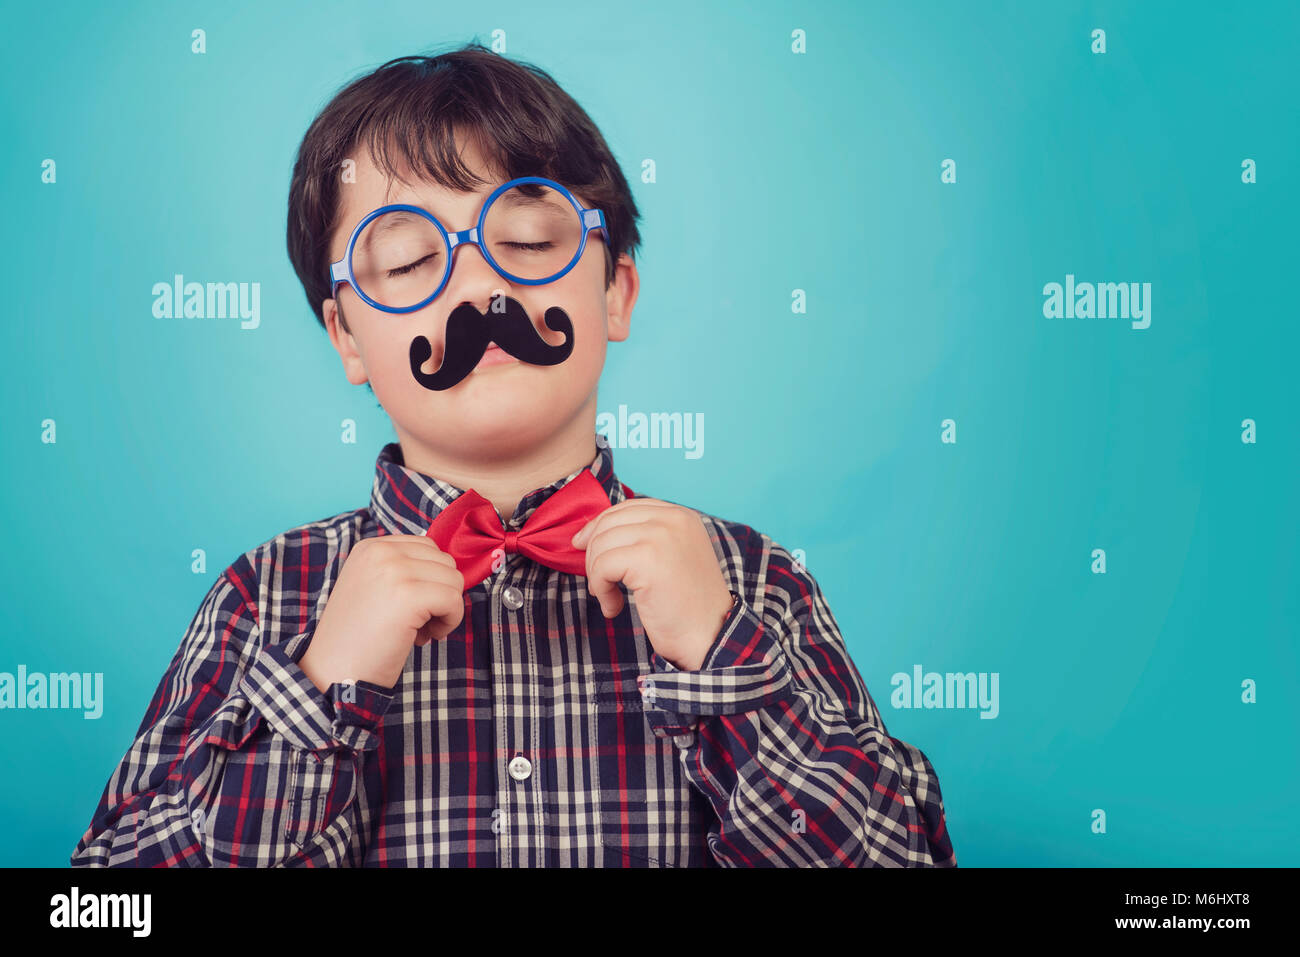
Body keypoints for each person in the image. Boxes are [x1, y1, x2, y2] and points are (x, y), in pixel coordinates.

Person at [70, 41, 955, 867]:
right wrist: (317, 694)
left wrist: (723, 661)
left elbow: (907, 855)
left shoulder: (752, 582)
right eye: (411, 258)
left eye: (530, 240)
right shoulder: (266, 597)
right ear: (345, 336)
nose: (478, 285)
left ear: (617, 292)